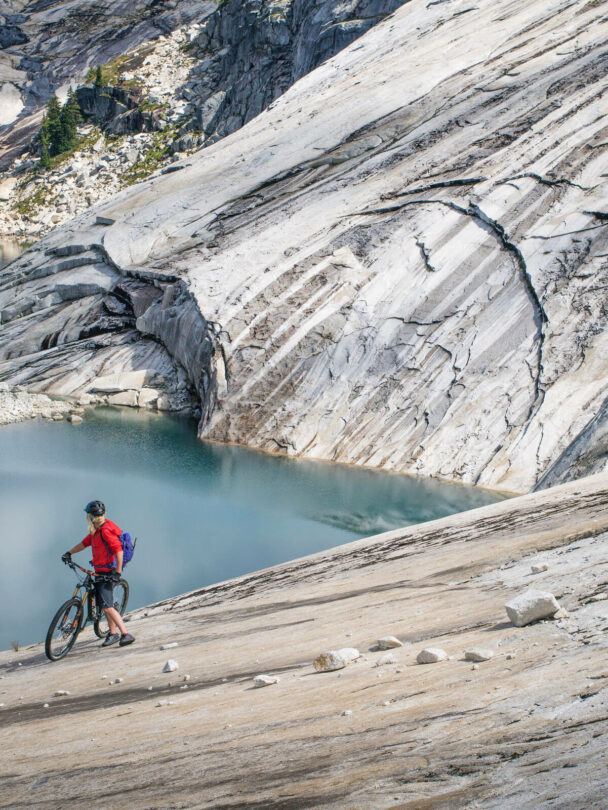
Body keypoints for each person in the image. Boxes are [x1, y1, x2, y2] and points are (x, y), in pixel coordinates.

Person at [62, 500, 135, 648]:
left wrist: (117, 573)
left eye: (87, 514)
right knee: (102, 603)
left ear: (91, 515)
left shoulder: (106, 531)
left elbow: (118, 551)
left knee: (107, 606)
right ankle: (112, 633)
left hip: (109, 573)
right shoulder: (96, 529)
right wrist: (69, 553)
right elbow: (84, 544)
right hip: (99, 571)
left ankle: (125, 634)